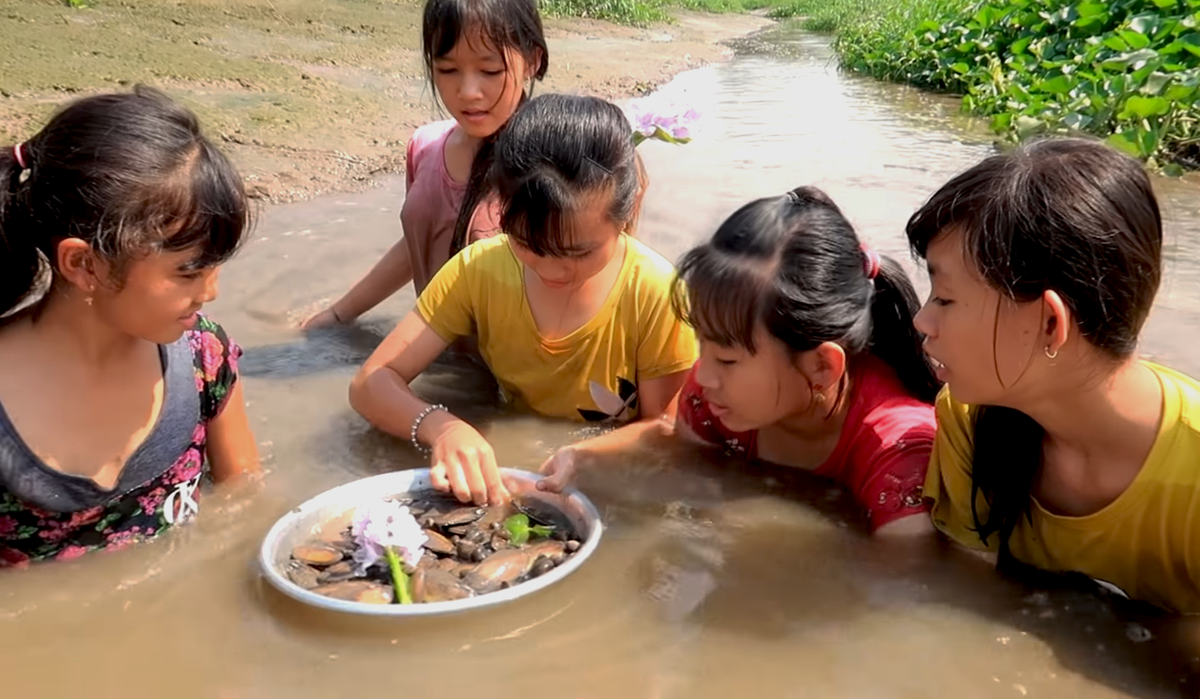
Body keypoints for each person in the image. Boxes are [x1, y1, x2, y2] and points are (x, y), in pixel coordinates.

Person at [349, 93, 698, 506]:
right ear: (500, 207)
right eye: (528, 245)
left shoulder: (656, 294)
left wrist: (587, 455)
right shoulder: (479, 270)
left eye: (579, 252)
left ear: (629, 209)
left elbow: (664, 426)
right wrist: (440, 427)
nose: (551, 271)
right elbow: (371, 384)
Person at [539, 186, 941, 535]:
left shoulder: (899, 449)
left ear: (821, 366)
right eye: (702, 344)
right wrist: (586, 456)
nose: (704, 375)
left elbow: (901, 582)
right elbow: (678, 448)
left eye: (728, 360)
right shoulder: (714, 395)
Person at [908, 137, 1200, 612]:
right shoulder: (970, 419)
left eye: (944, 298)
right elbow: (967, 596)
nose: (922, 321)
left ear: (1049, 323)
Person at [0, 86, 259, 567]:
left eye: (216, 265)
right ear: (83, 264)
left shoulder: (204, 355)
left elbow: (245, 505)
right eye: (189, 270)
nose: (211, 292)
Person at [299, 0, 547, 329]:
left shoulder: (549, 164)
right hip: (435, 353)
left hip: (508, 373)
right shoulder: (425, 147)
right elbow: (420, 242)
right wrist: (339, 314)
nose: (468, 92)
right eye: (447, 70)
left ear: (532, 60)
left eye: (489, 71)